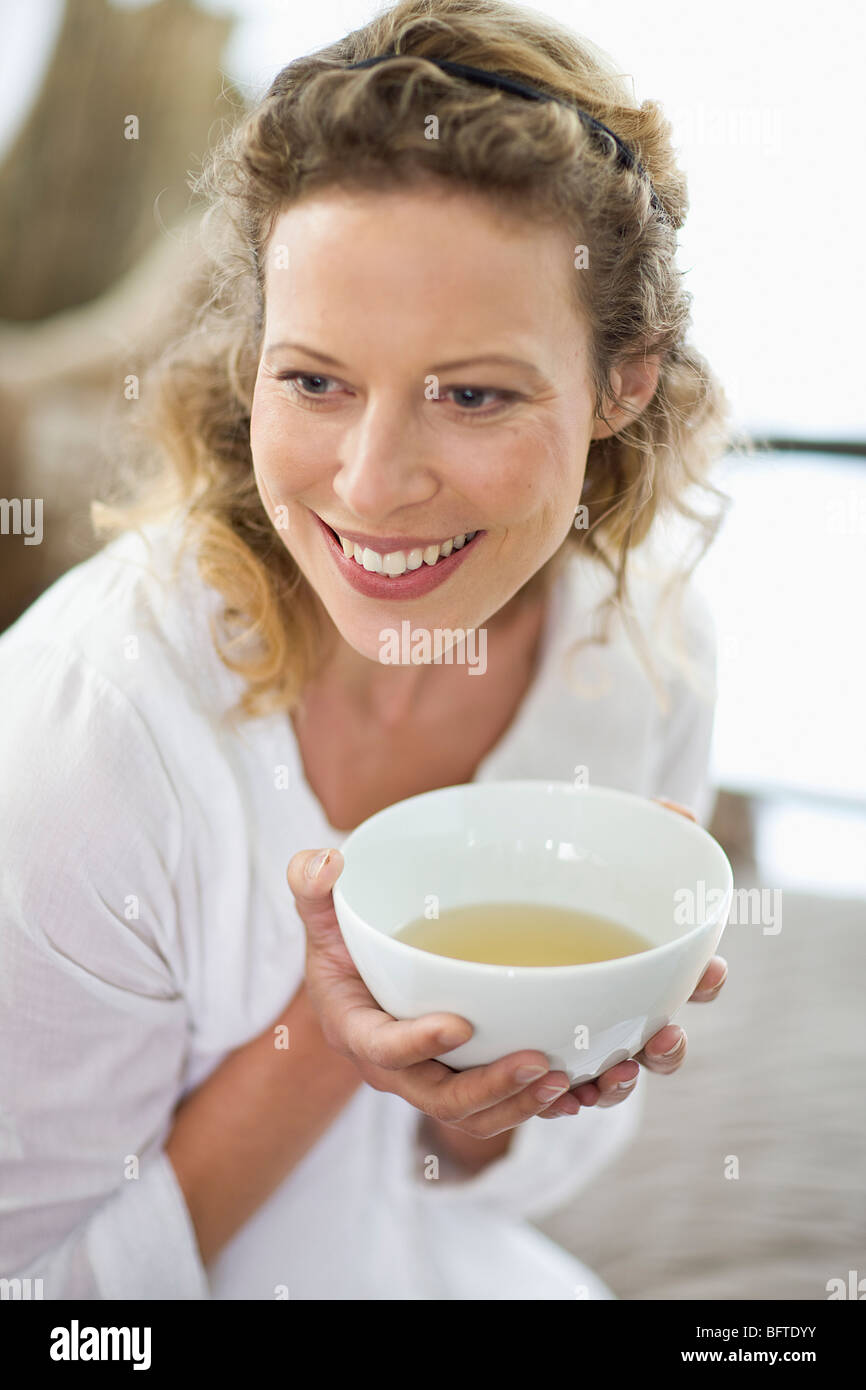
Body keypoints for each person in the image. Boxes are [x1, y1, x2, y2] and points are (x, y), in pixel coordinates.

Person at [0, 0, 730, 1300]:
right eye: (315, 380)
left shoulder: (640, 657)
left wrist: (492, 1090)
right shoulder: (87, 730)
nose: (372, 482)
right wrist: (334, 1034)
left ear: (624, 382)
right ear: (250, 366)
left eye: (472, 393)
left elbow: (492, 1169)